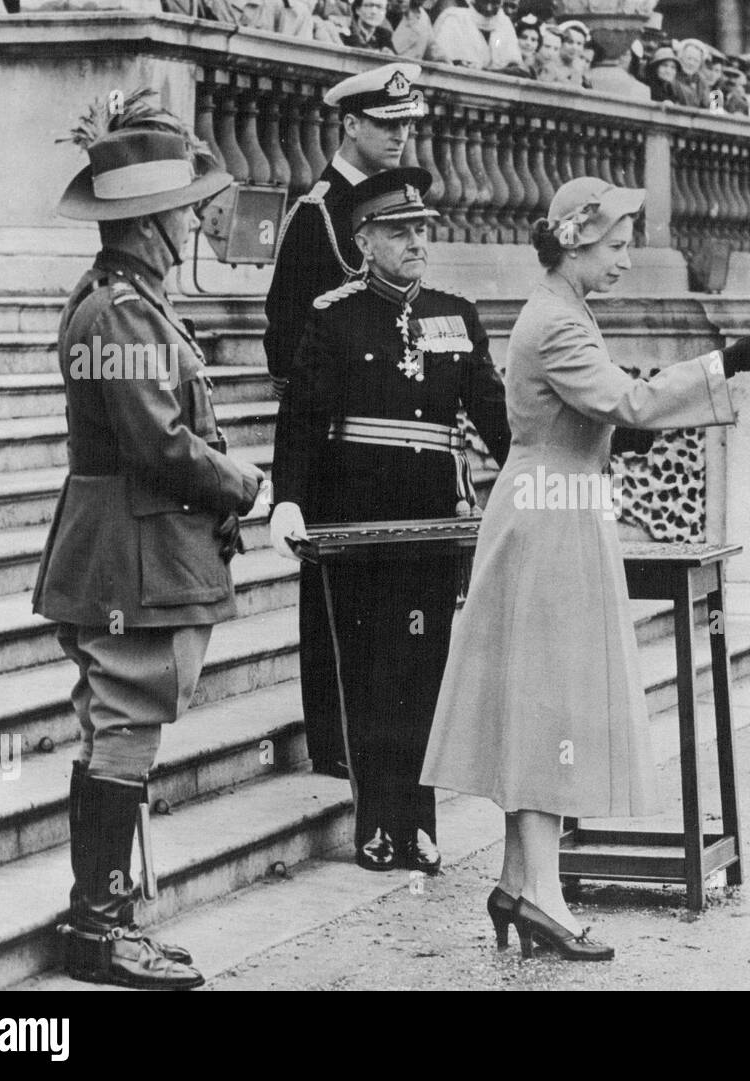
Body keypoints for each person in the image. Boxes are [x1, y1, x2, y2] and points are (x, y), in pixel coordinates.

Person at [420, 176, 750, 961]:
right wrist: (725, 365)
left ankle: (522, 884)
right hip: (550, 518)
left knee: (539, 698)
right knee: (549, 702)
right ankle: (544, 896)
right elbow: (631, 405)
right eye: (617, 245)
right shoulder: (557, 321)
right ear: (576, 239)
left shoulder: (564, 311)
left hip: (556, 506)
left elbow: (602, 413)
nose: (626, 259)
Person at [36, 106, 266, 989]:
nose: (196, 217)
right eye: (182, 206)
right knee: (124, 728)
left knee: (116, 732)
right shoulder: (122, 312)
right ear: (146, 220)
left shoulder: (133, 303)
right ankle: (99, 926)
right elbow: (161, 446)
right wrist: (244, 483)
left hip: (130, 545)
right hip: (130, 550)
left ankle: (107, 917)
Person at [270, 168, 510, 874]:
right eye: (399, 232)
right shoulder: (334, 314)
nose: (415, 243)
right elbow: (304, 421)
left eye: (421, 230)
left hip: (433, 523)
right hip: (357, 521)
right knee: (370, 674)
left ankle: (422, 823)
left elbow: (494, 416)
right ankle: (377, 821)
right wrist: (290, 497)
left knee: (426, 672)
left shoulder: (455, 315)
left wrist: (530, 477)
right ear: (363, 240)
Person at [264, 61, 426, 780]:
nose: (399, 137)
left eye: (406, 125)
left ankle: (385, 735)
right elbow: (284, 336)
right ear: (350, 124)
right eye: (386, 125)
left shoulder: (403, 199)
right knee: (333, 596)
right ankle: (333, 739)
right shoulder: (318, 214)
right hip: (336, 438)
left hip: (401, 436)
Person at [427, 0, 521, 70]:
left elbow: (516, 66)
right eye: (485, 1)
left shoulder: (505, 24)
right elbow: (441, 62)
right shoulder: (454, 18)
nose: (489, 8)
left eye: (494, 2)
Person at [537, 18, 590, 88]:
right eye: (570, 42)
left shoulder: (577, 69)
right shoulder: (547, 63)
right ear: (560, 43)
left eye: (579, 44)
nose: (574, 47)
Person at [672, 38, 711, 109]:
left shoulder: (702, 81)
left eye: (696, 60)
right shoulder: (673, 75)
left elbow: (710, 105)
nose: (691, 63)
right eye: (689, 58)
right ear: (680, 58)